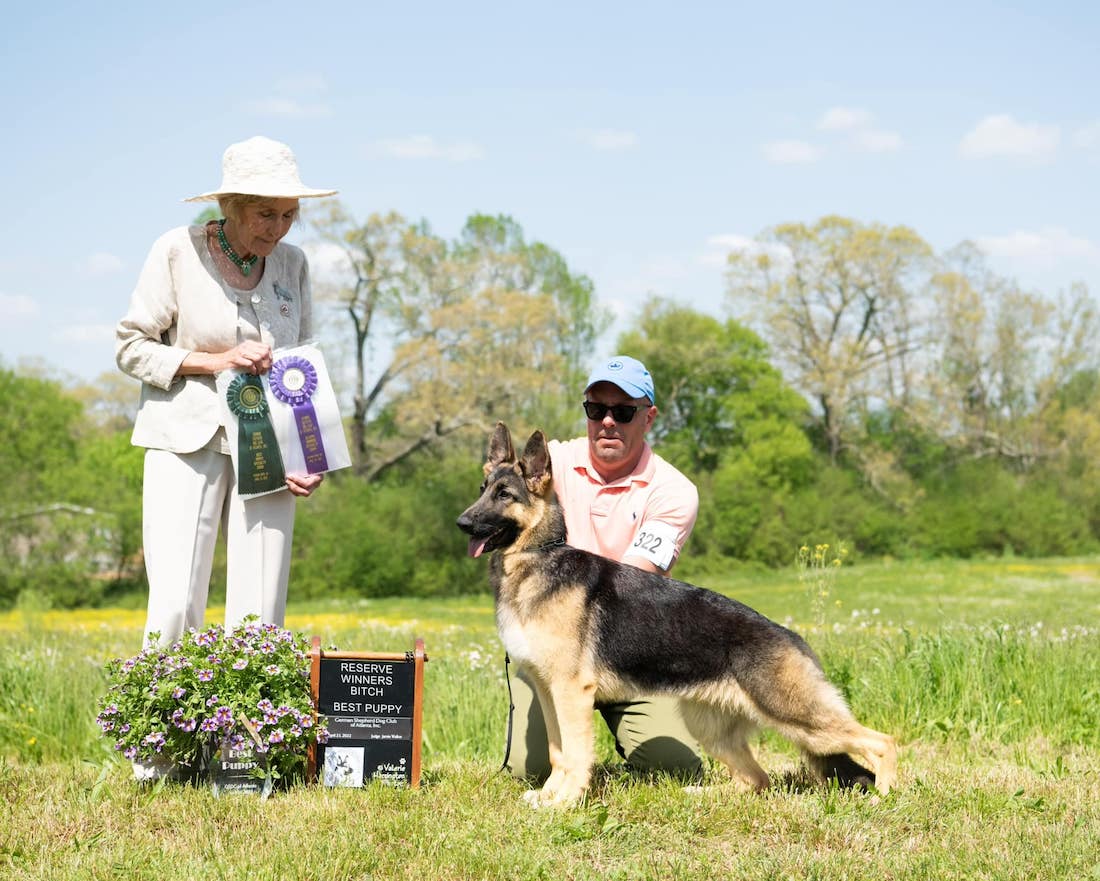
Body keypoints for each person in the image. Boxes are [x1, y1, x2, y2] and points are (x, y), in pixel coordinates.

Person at [116, 136, 337, 649]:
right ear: (229, 206)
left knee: (263, 605)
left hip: (271, 451)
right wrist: (215, 361)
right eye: (265, 214)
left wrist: (309, 452)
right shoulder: (176, 250)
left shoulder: (293, 264)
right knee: (174, 602)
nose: (278, 228)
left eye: (288, 215)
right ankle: (168, 726)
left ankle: (252, 727)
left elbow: (298, 362)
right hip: (183, 441)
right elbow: (130, 347)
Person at [504, 355, 706, 780]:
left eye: (623, 411)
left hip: (627, 647)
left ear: (648, 418)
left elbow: (628, 588)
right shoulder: (553, 465)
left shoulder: (674, 492)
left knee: (676, 770)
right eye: (596, 410)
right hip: (554, 652)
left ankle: (603, 739)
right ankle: (569, 759)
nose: (607, 421)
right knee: (531, 770)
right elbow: (502, 489)